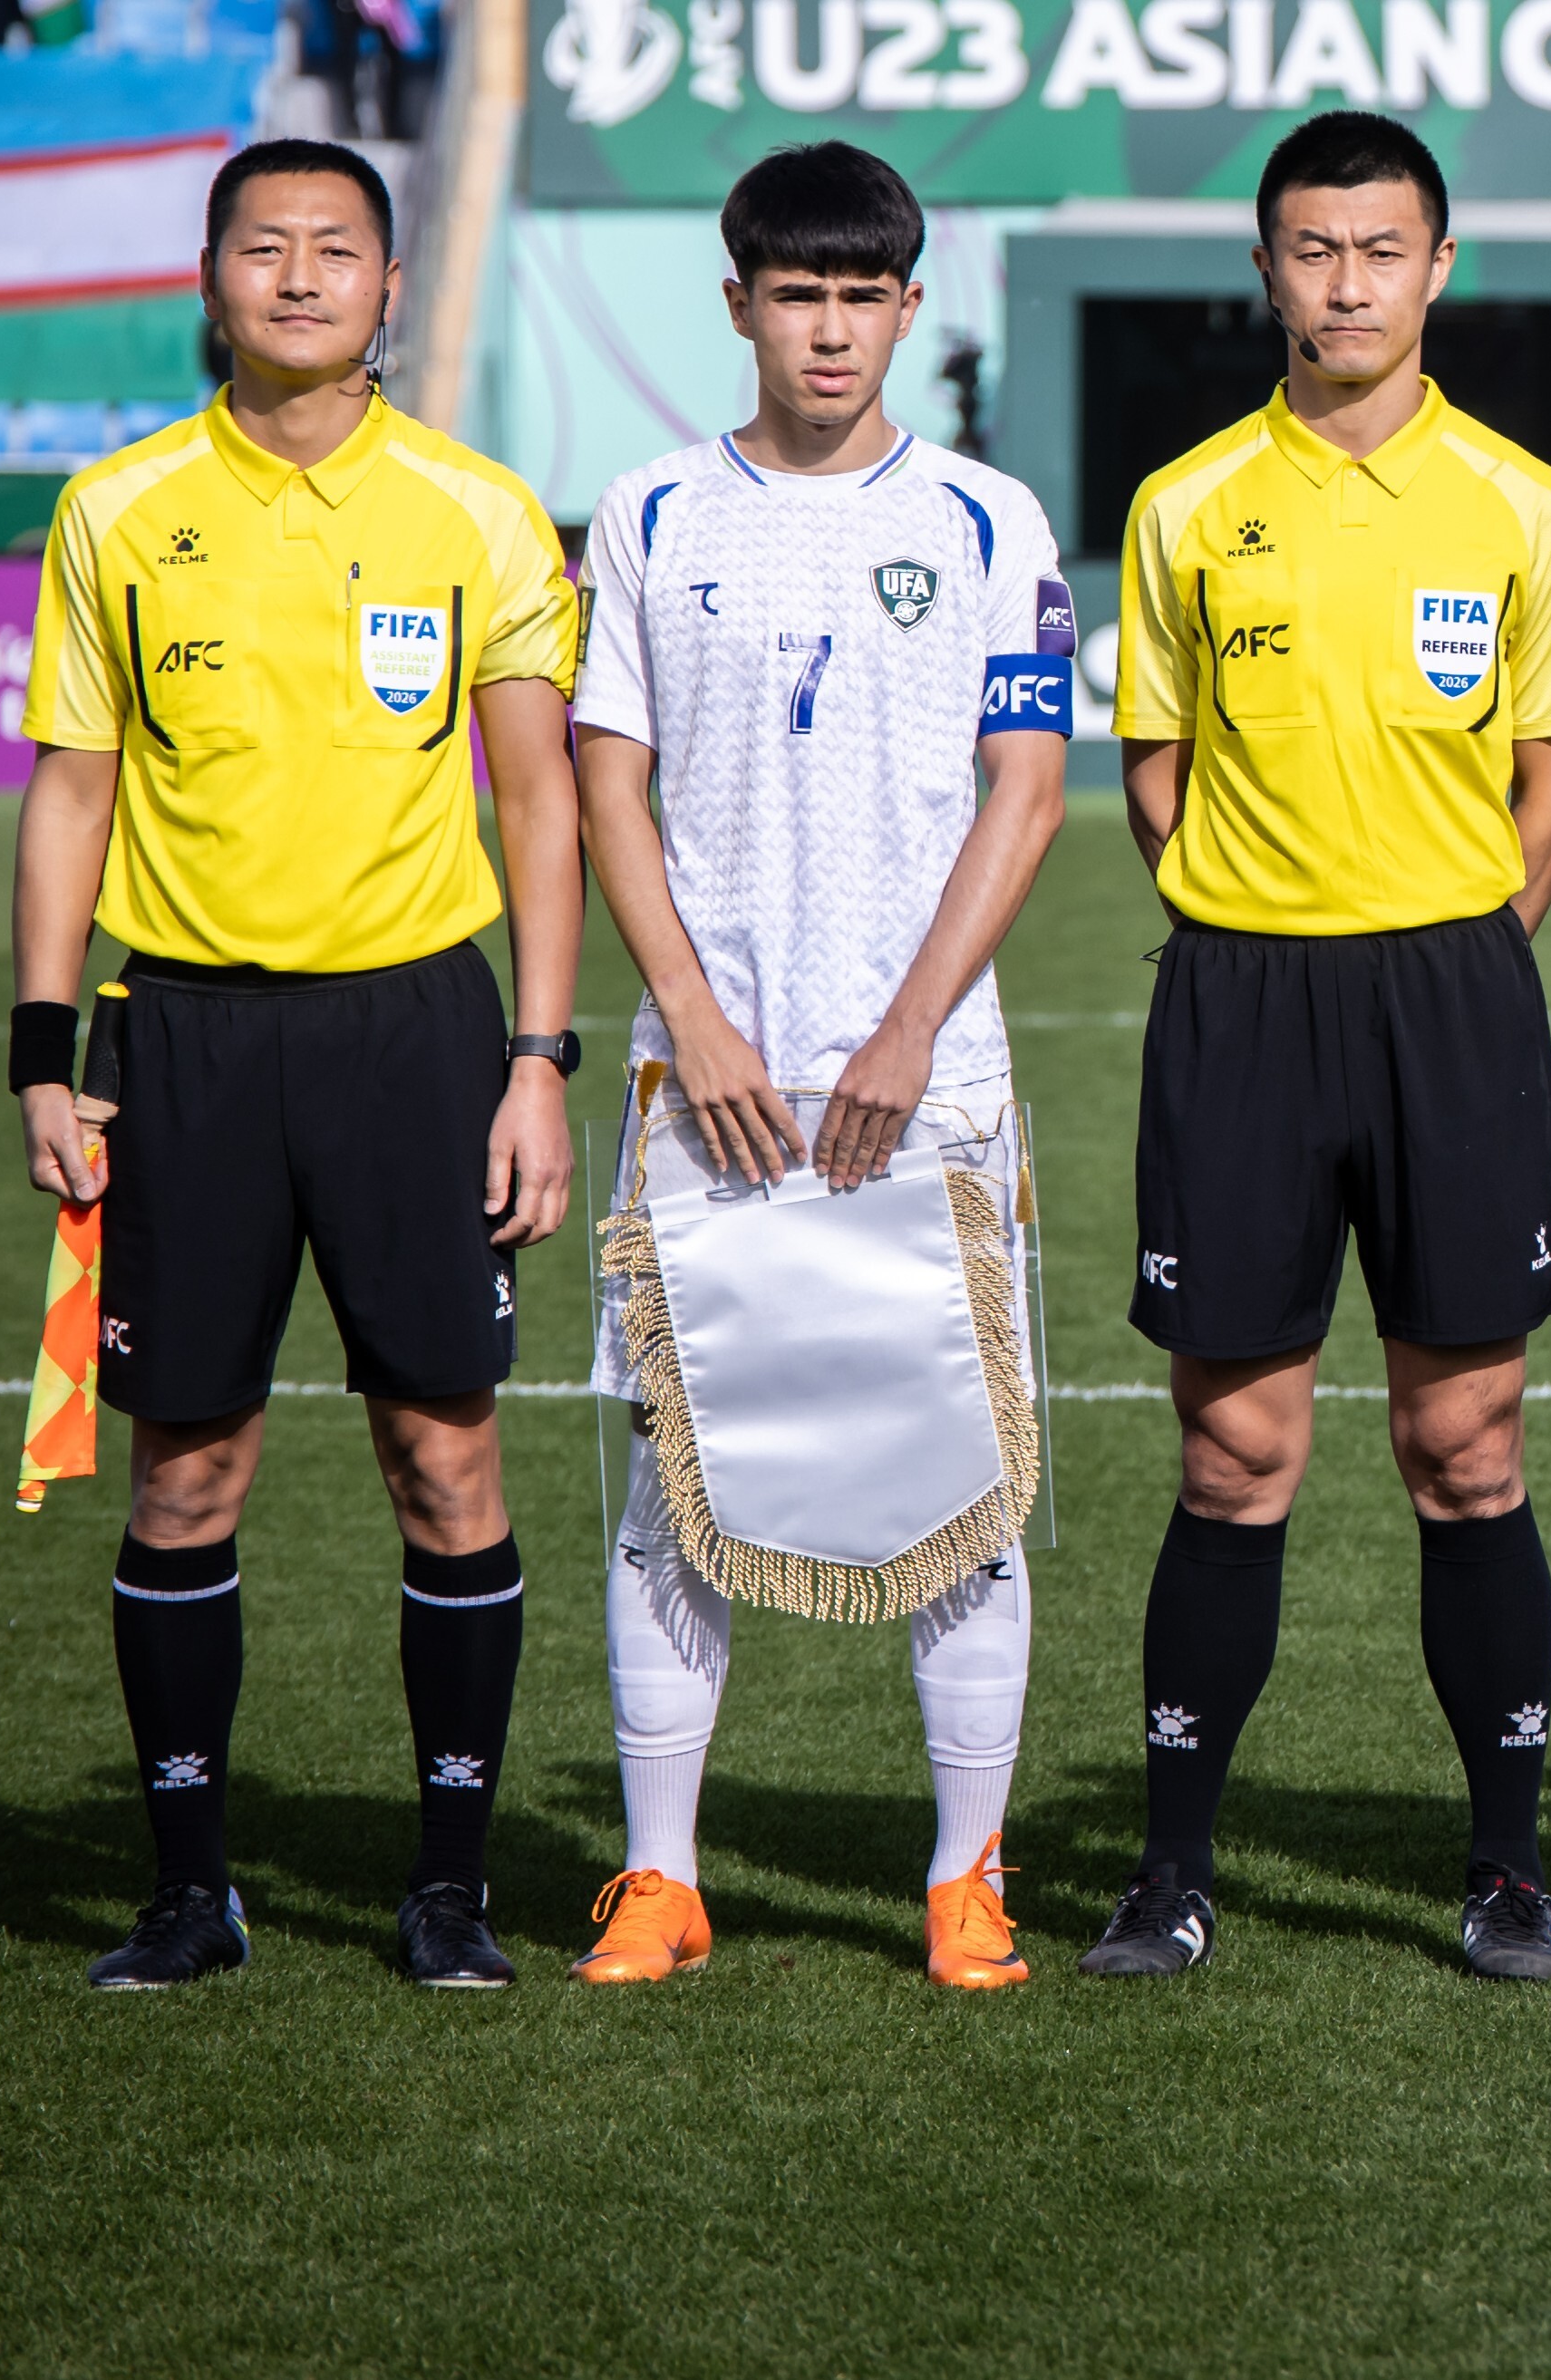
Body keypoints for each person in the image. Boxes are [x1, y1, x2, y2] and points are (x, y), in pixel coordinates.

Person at [8, 139, 582, 1990]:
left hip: (416, 1034)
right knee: (184, 1469)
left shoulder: (478, 509)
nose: (304, 276)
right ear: (212, 275)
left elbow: (537, 796)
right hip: (178, 1037)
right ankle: (189, 1892)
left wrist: (540, 1057)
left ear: (391, 290)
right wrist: (43, 1054)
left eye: (340, 249)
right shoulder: (115, 508)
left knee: (445, 1454)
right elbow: (71, 789)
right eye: (269, 247)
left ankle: (451, 1886)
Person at [1093, 111, 1551, 1984]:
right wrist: (1263, 919)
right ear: (1266, 272)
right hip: (1240, 995)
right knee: (1234, 1447)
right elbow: (1153, 771)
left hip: (1449, 994)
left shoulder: (1523, 502)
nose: (1346, 282)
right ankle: (1167, 1869)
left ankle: (1506, 1865)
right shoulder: (1183, 504)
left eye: (1380, 248)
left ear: (1436, 267)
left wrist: (1450, 946)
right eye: (1311, 250)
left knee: (1465, 1439)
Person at [563, 144, 1072, 1992]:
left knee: (965, 1478)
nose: (832, 329)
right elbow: (602, 782)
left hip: (923, 1086)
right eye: (798, 293)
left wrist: (911, 1022)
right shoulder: (646, 515)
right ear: (740, 304)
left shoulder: (994, 521)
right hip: (701, 1085)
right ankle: (657, 1874)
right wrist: (692, 1011)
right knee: (671, 1480)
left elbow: (1027, 796)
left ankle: (965, 1874)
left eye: (864, 296)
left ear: (909, 309)